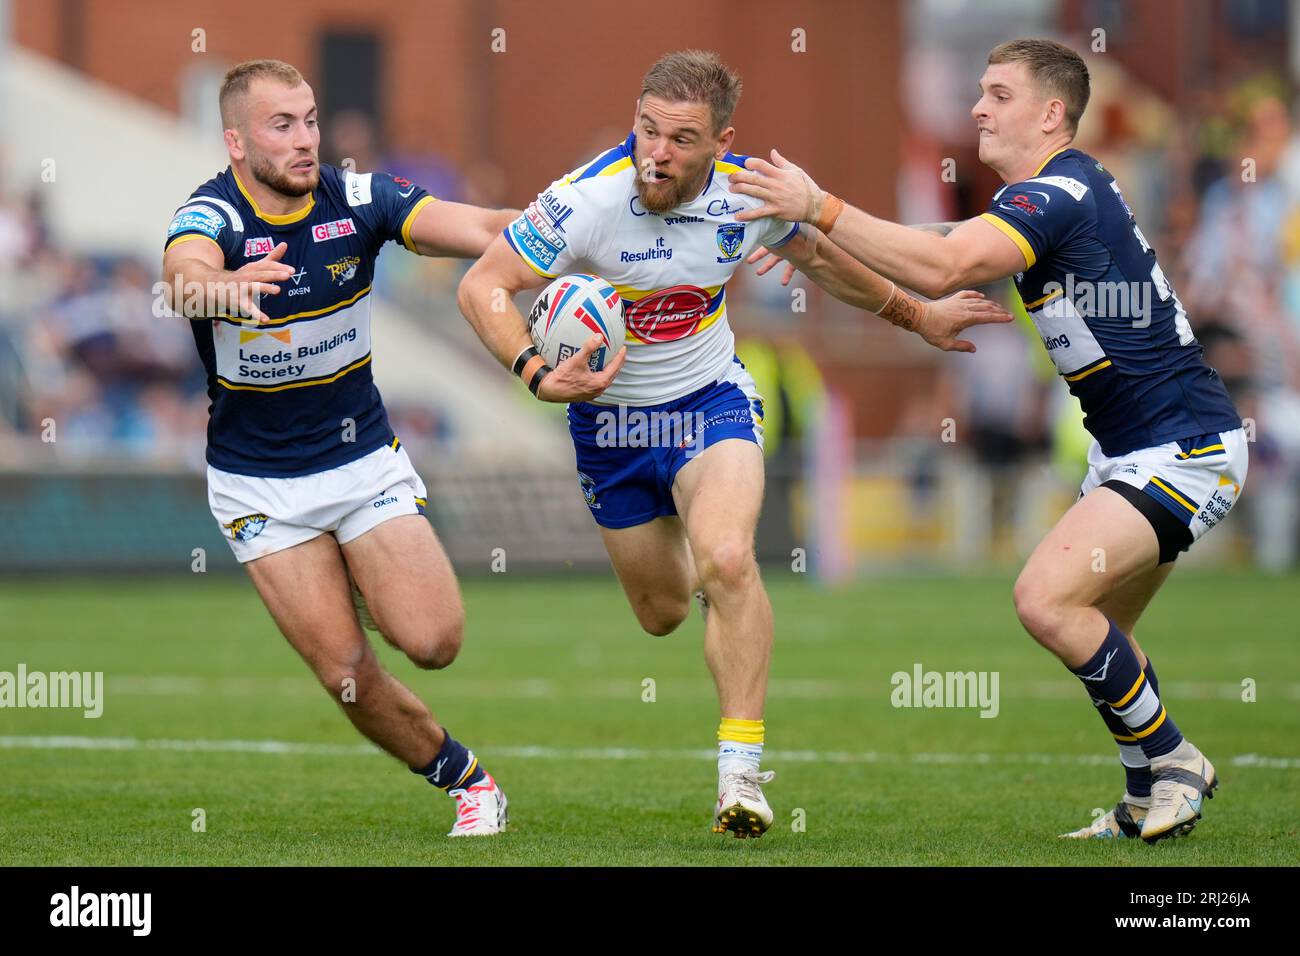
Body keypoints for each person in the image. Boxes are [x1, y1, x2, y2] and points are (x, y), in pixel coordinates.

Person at [457, 49, 1009, 838]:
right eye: (648, 130)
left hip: (709, 403)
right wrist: (535, 372)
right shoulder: (587, 200)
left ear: (721, 141)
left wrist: (918, 317)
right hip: (609, 427)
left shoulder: (750, 193)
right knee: (662, 612)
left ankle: (740, 776)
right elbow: (482, 284)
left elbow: (820, 258)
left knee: (727, 558)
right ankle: (686, 537)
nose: (657, 152)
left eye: (681, 138)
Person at [729, 38, 1246, 843]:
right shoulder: (1053, 196)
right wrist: (811, 243)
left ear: (1051, 113)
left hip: (1183, 449)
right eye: (980, 91)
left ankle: (1175, 761)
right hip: (1141, 450)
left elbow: (943, 265)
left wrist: (818, 205)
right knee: (1106, 638)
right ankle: (1148, 796)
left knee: (1045, 600)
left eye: (999, 94)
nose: (978, 107)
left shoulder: (1061, 193)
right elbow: (922, 244)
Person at [161, 59, 518, 836]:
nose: (304, 139)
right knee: (348, 675)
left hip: (360, 465)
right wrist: (221, 288)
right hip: (258, 486)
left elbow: (490, 230)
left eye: (311, 120)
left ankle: (362, 569)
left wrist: (584, 233)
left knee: (432, 641)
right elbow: (183, 276)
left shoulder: (358, 199)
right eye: (281, 125)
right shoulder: (211, 216)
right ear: (234, 141)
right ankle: (470, 783)